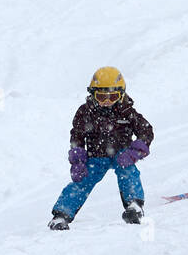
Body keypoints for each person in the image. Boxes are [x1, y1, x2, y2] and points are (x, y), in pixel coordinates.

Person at [49, 67, 153, 229]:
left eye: (113, 96)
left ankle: (134, 206)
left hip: (122, 154)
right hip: (96, 156)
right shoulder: (86, 112)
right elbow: (77, 135)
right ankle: (61, 215)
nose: (107, 101)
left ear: (121, 95)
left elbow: (146, 131)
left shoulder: (127, 111)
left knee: (129, 173)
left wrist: (134, 153)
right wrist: (78, 161)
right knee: (82, 182)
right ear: (92, 94)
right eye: (101, 96)